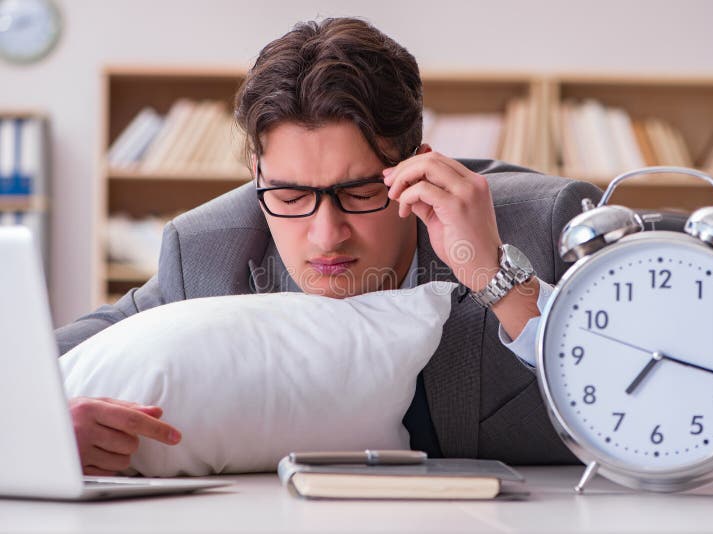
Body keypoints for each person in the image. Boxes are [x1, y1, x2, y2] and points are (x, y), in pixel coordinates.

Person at [56, 17, 601, 475]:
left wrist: (496, 277)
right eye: (290, 196)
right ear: (256, 175)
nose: (326, 235)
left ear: (418, 167)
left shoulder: (548, 224)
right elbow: (36, 363)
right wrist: (48, 427)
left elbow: (644, 395)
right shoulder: (207, 253)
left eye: (360, 192)